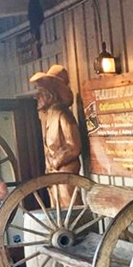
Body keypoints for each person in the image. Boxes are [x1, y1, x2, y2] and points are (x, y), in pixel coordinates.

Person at [29, 64, 82, 205]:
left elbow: (74, 146)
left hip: (65, 173)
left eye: (41, 93)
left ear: (51, 94)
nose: (37, 97)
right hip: (53, 174)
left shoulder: (63, 115)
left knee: (69, 207)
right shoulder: (50, 116)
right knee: (57, 208)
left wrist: (57, 161)